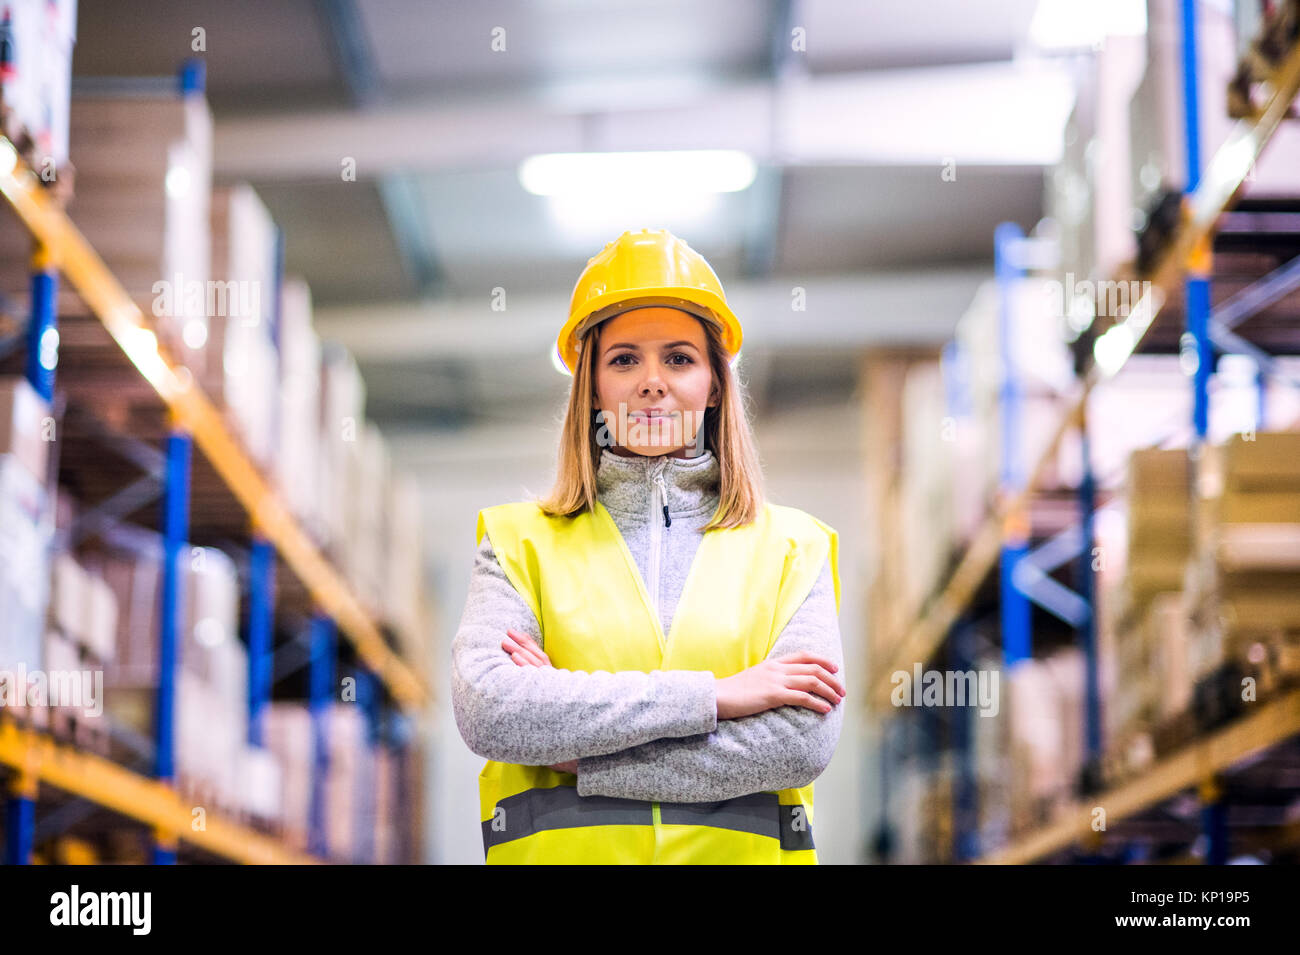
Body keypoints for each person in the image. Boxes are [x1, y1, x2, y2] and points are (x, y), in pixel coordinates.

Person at [451, 228, 845, 864]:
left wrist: (576, 754)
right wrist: (718, 697)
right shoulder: (517, 542)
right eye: (624, 359)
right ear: (592, 386)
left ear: (715, 385)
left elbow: (799, 744)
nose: (652, 382)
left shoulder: (793, 549)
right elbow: (492, 713)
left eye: (680, 359)